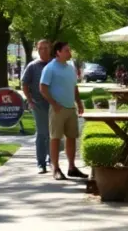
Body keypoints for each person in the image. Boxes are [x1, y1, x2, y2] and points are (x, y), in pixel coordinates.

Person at [39, 42, 86, 180]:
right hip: (57, 109)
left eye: (69, 50)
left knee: (71, 137)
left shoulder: (70, 68)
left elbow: (74, 87)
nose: (69, 52)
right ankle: (56, 168)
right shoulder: (50, 68)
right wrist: (54, 104)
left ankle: (72, 167)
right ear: (58, 52)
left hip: (71, 108)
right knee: (55, 138)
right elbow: (42, 88)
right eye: (66, 50)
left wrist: (78, 102)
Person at [20, 39, 53, 174]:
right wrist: (30, 101)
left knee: (53, 134)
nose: (44, 51)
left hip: (54, 103)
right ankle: (41, 163)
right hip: (38, 103)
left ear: (50, 48)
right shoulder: (33, 66)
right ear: (37, 50)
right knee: (42, 133)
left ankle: (52, 161)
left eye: (46, 48)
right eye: (41, 48)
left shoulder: (54, 64)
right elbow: (24, 84)